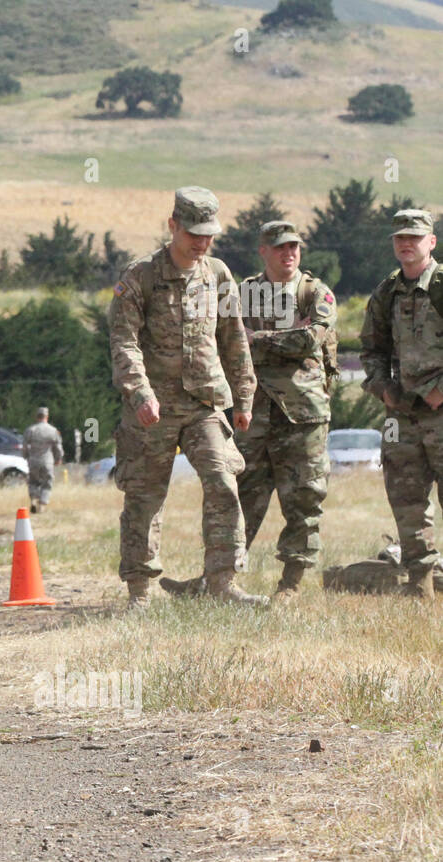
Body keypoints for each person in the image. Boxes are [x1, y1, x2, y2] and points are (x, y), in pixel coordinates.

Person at [163, 221, 337, 599]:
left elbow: (310, 340)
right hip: (251, 413)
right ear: (263, 251)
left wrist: (254, 339)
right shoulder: (243, 293)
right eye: (279, 247)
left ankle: (290, 586)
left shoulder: (314, 292)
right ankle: (216, 581)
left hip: (302, 415)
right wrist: (272, 340)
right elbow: (220, 340)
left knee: (304, 498)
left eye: (294, 247)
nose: (288, 253)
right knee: (237, 497)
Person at [108, 186, 264, 608]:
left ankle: (222, 582)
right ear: (172, 225)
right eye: (194, 232)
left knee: (222, 480)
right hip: (151, 410)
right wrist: (140, 393)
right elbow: (124, 342)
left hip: (204, 404)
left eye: (209, 234)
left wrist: (244, 397)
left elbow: (234, 339)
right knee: (144, 494)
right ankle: (140, 590)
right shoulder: (140, 276)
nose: (202, 242)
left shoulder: (217, 274)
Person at [359, 208, 443, 599]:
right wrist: (383, 389)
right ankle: (420, 582)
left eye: (414, 237)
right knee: (406, 499)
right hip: (403, 415)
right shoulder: (387, 291)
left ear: (432, 241)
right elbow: (371, 349)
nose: (406, 243)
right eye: (399, 238)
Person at [23, 407, 64, 513]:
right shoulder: (53, 431)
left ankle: (33, 500)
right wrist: (58, 459)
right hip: (47, 461)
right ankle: (41, 505)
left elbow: (25, 446)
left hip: (33, 461)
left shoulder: (30, 430)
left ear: (37, 417)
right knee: (47, 483)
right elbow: (58, 448)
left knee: (33, 481)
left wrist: (26, 456)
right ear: (47, 416)